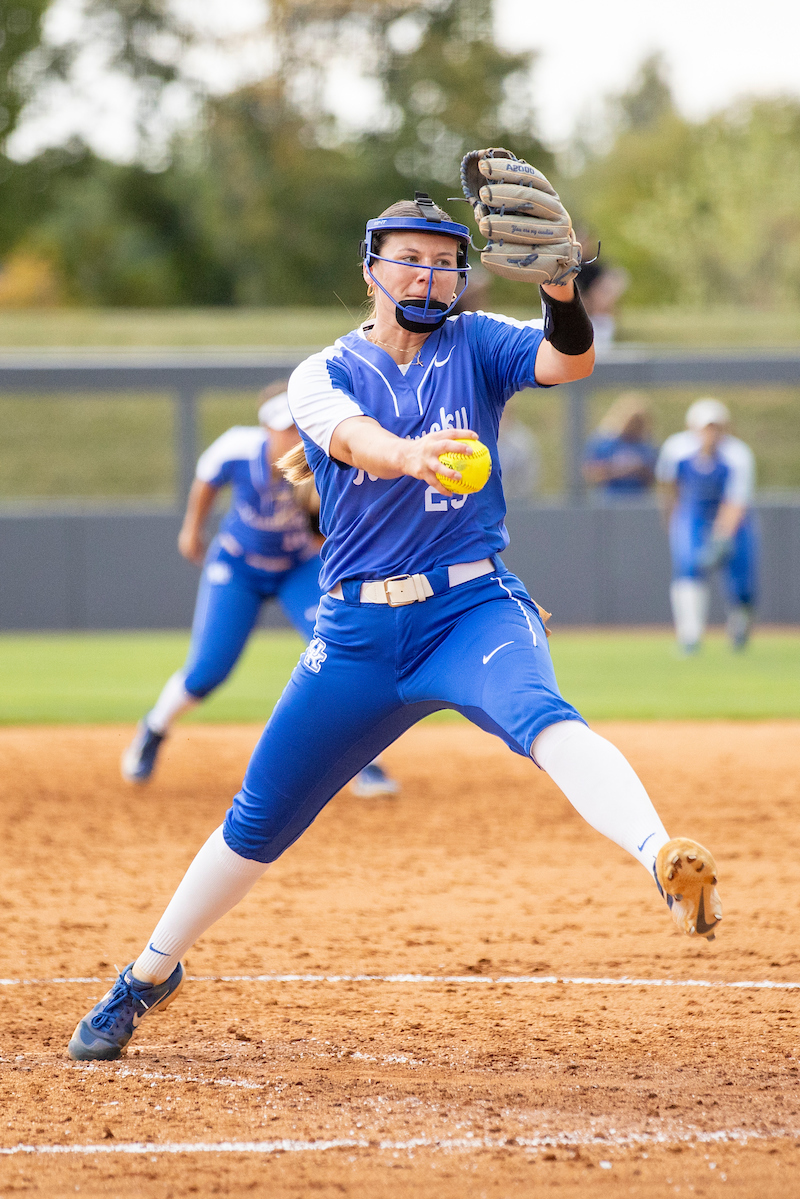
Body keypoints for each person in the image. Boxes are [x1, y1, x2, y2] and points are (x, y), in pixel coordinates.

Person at [67, 175, 722, 1063]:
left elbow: (569, 362)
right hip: (358, 635)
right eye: (408, 261)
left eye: (446, 265)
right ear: (371, 269)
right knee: (257, 822)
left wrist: (562, 291)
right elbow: (347, 439)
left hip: (472, 608)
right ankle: (146, 974)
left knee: (544, 719)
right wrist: (411, 456)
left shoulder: (478, 346)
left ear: (461, 281)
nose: (427, 278)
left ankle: (660, 855)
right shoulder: (323, 371)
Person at [120, 384, 398, 799]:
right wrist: (192, 530)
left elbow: (340, 521)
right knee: (208, 670)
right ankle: (154, 730)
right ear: (265, 428)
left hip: (298, 568)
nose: (292, 438)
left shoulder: (319, 459)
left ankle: (364, 762)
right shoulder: (236, 447)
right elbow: (205, 481)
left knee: (342, 657)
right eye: (284, 429)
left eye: (298, 429)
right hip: (238, 566)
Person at [656, 397, 757, 654]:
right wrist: (673, 522)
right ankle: (690, 635)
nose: (710, 433)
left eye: (716, 427)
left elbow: (736, 501)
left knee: (741, 576)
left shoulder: (738, 454)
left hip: (730, 517)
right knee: (688, 567)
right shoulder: (677, 449)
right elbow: (669, 488)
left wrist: (721, 536)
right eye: (705, 427)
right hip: (694, 512)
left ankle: (740, 626)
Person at [583, 392, 658, 499]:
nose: (634, 426)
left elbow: (655, 476)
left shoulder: (646, 446)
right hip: (608, 500)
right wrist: (623, 470)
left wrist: (641, 470)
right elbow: (592, 473)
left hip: (638, 500)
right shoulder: (604, 442)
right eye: (632, 421)